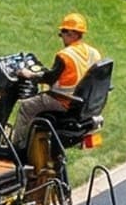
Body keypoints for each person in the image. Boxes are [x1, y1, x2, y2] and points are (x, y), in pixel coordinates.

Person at [7, 13, 102, 153]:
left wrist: (30, 74)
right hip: (84, 103)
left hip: (63, 100)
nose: (61, 35)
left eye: (63, 32)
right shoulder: (94, 53)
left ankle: (16, 148)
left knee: (26, 107)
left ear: (72, 33)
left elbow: (50, 78)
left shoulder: (65, 55)